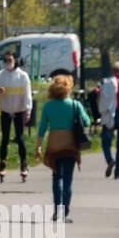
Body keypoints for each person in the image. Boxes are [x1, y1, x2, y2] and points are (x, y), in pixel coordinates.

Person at [33, 74, 90, 223]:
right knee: (68, 180)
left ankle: (56, 211)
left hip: (54, 146)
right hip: (70, 146)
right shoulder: (75, 105)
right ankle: (65, 213)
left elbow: (42, 129)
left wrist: (38, 147)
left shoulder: (48, 106)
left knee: (56, 178)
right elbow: (87, 121)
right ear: (68, 88)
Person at [0, 51, 32, 182]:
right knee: (5, 139)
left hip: (19, 110)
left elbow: (27, 94)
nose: (8, 63)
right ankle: (2, 164)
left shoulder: (23, 76)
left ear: (15, 60)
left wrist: (28, 110)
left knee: (19, 138)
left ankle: (23, 165)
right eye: (6, 60)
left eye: (10, 60)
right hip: (6, 110)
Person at [93, 61, 119, 179]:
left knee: (106, 142)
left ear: (112, 71)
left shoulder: (105, 84)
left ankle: (110, 160)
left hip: (108, 115)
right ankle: (118, 174)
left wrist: (101, 113)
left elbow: (99, 99)